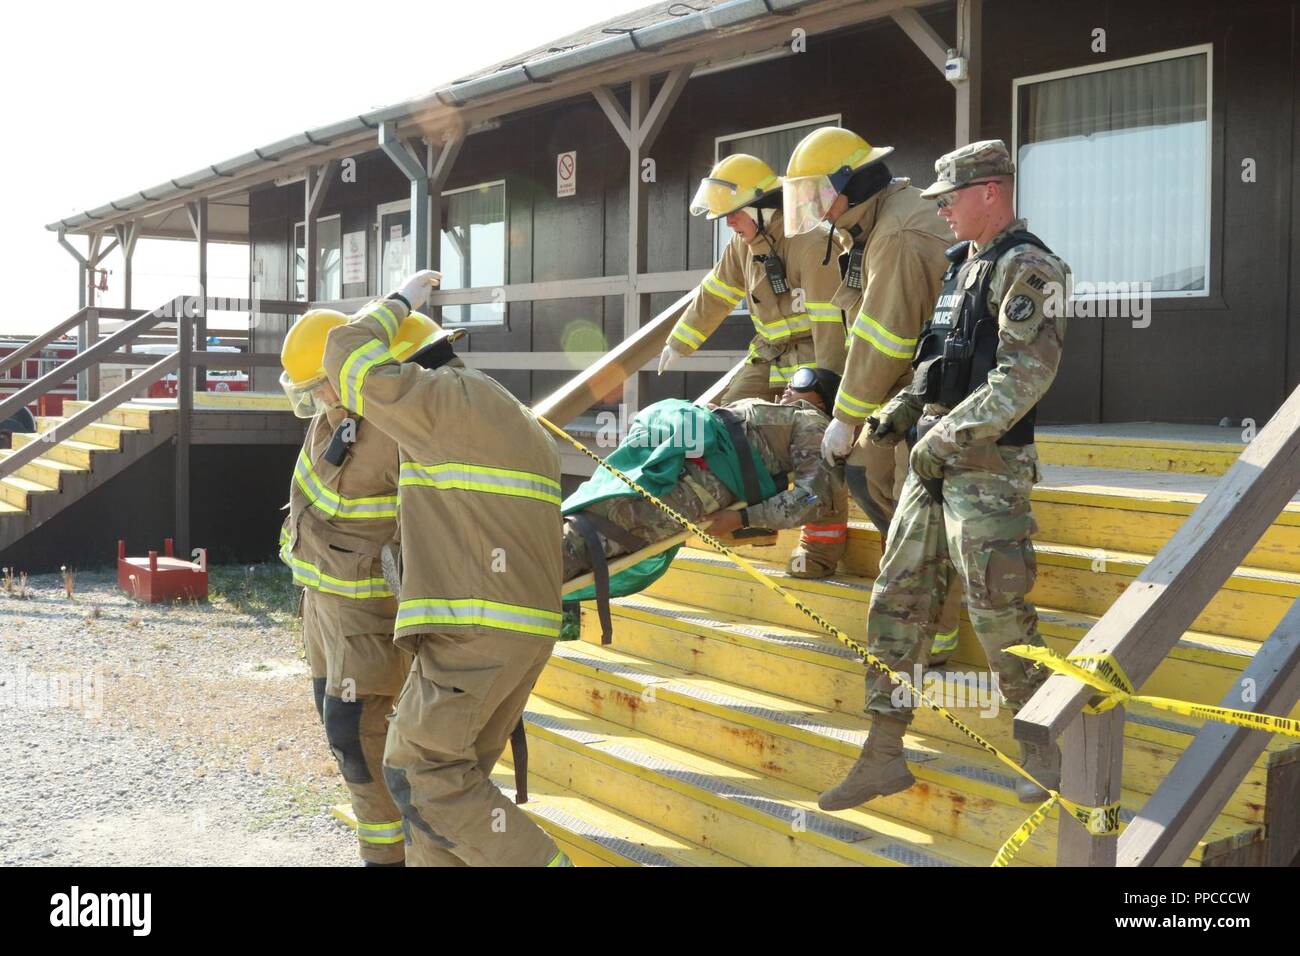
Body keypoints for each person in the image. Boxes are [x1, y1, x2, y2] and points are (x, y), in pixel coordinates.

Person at [816, 140, 1071, 812]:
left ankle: (1043, 747)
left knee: (999, 610)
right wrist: (899, 413)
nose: (944, 212)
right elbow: (937, 364)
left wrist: (944, 439)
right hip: (931, 461)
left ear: (992, 192)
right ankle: (882, 753)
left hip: (987, 467)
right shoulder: (963, 267)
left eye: (952, 199)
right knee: (896, 603)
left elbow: (1025, 376)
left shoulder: (1030, 267)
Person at [294, 270, 571, 866]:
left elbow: (344, 352)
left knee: (420, 775)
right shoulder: (495, 406)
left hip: (472, 630)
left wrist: (398, 300)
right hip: (511, 627)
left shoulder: (434, 403)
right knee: (443, 791)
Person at [783, 126, 965, 663]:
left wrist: (845, 416)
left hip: (935, 398)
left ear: (852, 183)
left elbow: (885, 335)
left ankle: (933, 640)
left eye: (817, 193)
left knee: (921, 514)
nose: (812, 208)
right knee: (870, 475)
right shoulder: (868, 225)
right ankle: (908, 610)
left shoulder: (897, 233)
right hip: (903, 392)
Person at [561, 368, 846, 640]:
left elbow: (811, 499)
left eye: (803, 379)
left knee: (596, 531)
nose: (790, 385)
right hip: (674, 460)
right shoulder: (776, 412)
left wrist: (742, 519)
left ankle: (534, 587)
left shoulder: (814, 424)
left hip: (693, 483)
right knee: (587, 512)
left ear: (822, 399)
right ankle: (535, 578)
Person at [278, 319, 412, 866]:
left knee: (357, 735)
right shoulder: (333, 420)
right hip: (323, 607)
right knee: (339, 734)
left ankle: (391, 857)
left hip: (370, 612)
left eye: (321, 386)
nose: (318, 400)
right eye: (308, 391)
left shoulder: (403, 429)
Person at [658, 154, 846, 402]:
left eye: (734, 212)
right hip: (769, 356)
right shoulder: (741, 244)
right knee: (728, 417)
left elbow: (830, 325)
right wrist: (678, 343)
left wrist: (829, 391)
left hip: (813, 360)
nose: (728, 222)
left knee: (804, 430)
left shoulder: (812, 244)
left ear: (761, 206)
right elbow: (716, 293)